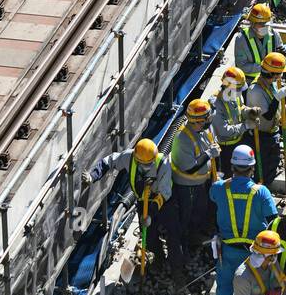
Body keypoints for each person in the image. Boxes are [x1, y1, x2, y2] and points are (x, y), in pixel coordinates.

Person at [209, 144, 276, 295]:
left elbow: (213, 195)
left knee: (224, 283)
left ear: (232, 167)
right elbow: (273, 222)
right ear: (252, 168)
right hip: (254, 253)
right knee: (256, 285)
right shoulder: (261, 192)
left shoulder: (220, 188)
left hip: (228, 249)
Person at [82, 137, 173, 274]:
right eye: (146, 164)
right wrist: (93, 176)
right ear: (138, 160)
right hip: (143, 201)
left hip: (161, 200)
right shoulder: (129, 157)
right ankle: (157, 262)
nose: (150, 165)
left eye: (151, 162)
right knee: (149, 235)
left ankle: (176, 260)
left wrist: (152, 210)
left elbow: (165, 192)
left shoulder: (163, 163)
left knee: (172, 229)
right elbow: (108, 161)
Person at [168, 99, 220, 278]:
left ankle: (196, 238)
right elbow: (189, 167)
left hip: (201, 183)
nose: (208, 121)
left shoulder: (204, 131)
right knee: (186, 217)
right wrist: (208, 155)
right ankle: (185, 248)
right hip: (186, 187)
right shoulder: (183, 139)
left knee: (200, 212)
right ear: (195, 121)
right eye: (205, 119)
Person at [245, 50, 286, 187]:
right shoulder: (256, 91)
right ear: (272, 74)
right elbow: (268, 116)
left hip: (272, 133)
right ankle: (259, 192)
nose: (280, 77)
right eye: (279, 74)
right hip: (261, 137)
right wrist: (277, 98)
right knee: (261, 169)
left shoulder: (271, 83)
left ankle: (267, 189)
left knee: (272, 165)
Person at [211, 65, 250, 175]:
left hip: (238, 140)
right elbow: (224, 131)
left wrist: (248, 111)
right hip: (225, 148)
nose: (240, 92)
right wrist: (245, 126)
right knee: (228, 175)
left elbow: (240, 108)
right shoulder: (216, 103)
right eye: (238, 89)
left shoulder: (235, 94)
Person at [233, 3, 284, 83]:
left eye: (266, 24)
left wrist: (282, 58)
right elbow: (242, 66)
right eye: (261, 24)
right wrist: (265, 67)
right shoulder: (241, 39)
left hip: (270, 80)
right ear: (253, 24)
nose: (265, 27)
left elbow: (281, 63)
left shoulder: (275, 35)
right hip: (249, 81)